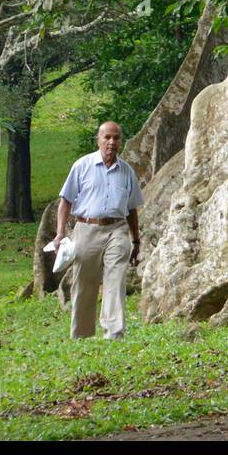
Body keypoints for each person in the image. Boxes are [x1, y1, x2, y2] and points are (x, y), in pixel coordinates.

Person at [54, 121, 143, 339]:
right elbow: (65, 201)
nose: (112, 142)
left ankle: (114, 333)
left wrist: (136, 241)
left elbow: (132, 209)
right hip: (87, 227)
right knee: (84, 283)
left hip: (117, 230)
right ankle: (82, 335)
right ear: (99, 140)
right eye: (107, 138)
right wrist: (60, 233)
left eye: (116, 138)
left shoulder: (127, 171)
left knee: (116, 279)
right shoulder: (82, 166)